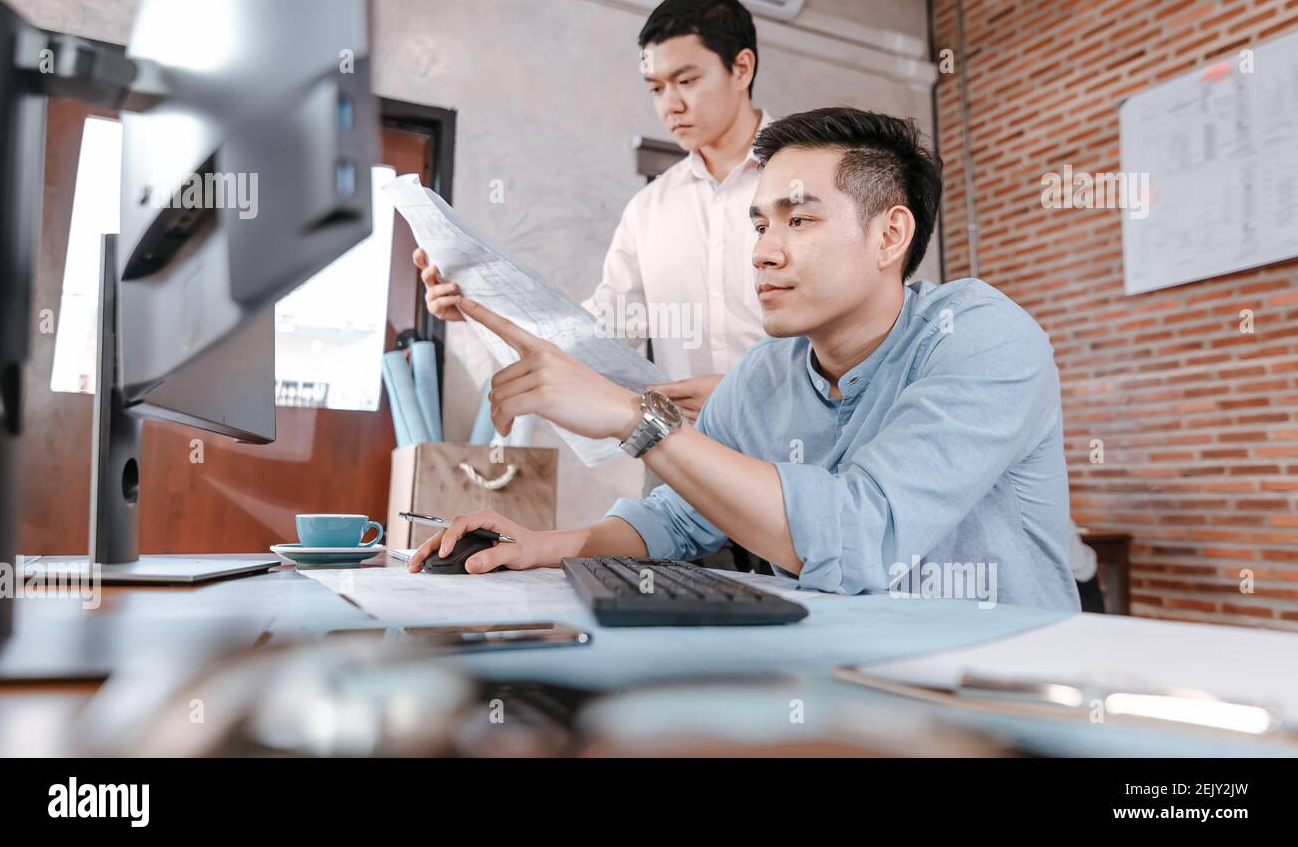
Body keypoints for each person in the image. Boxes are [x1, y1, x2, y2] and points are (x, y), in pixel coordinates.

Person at [408, 107, 1082, 611]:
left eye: (800, 220)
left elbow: (863, 537)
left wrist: (631, 415)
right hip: (861, 687)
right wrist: (539, 545)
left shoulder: (983, 336)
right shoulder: (767, 371)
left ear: (890, 236)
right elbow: (678, 517)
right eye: (759, 224)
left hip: (1006, 682)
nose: (762, 252)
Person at [415, 0, 775, 570]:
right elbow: (599, 333)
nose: (670, 105)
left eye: (686, 81)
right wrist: (475, 301)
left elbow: (847, 325)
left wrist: (746, 390)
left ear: (742, 67)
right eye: (656, 88)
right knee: (683, 625)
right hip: (683, 467)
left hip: (797, 455)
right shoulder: (650, 208)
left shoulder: (804, 171)